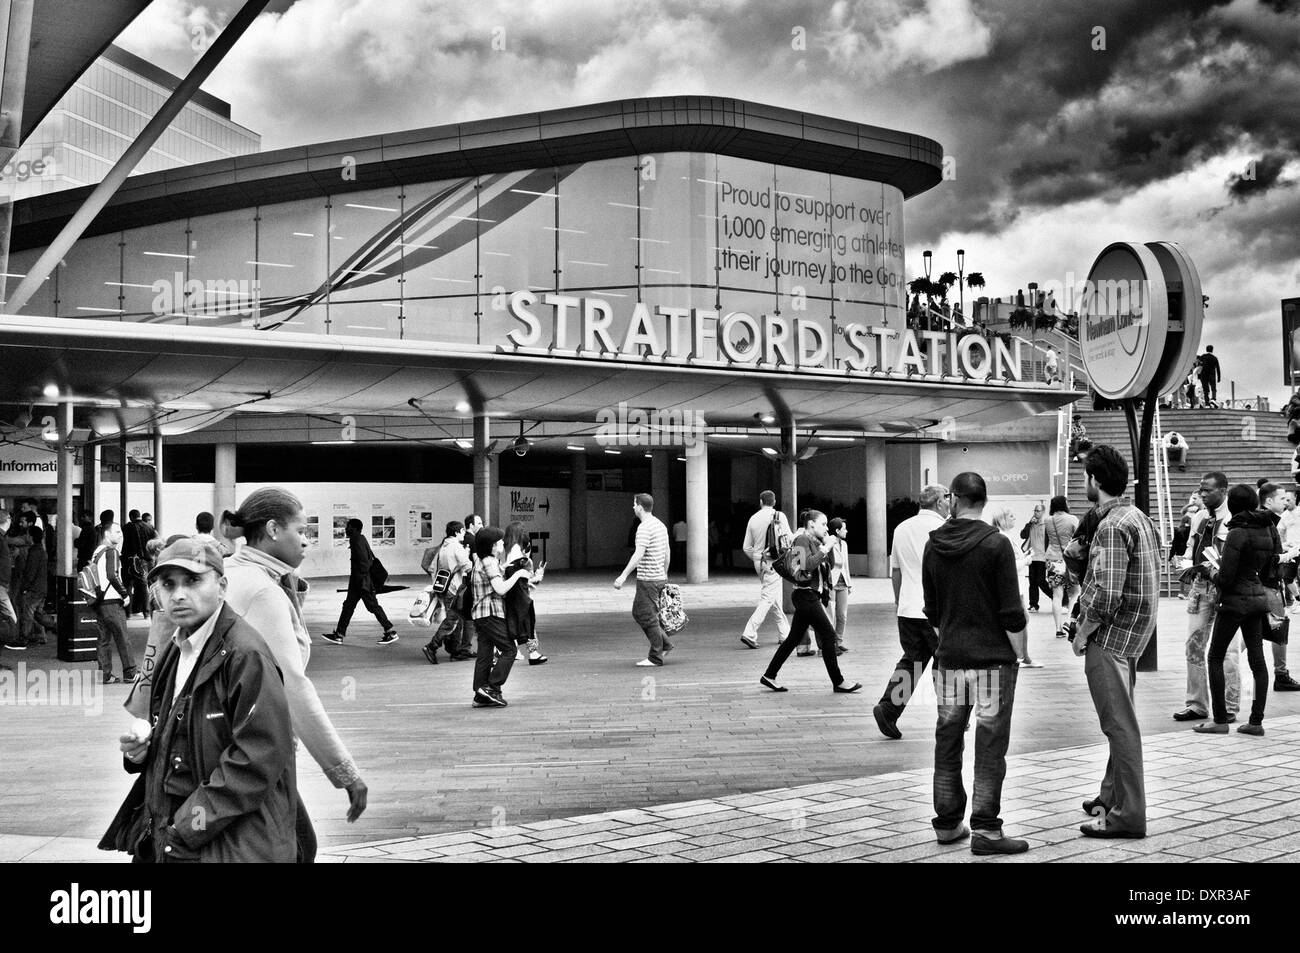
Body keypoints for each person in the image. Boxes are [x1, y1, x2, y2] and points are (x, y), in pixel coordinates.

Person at [107, 538, 298, 862]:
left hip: (227, 847)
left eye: (193, 580)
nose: (179, 594)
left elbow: (257, 760)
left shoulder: (244, 655)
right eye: (168, 584)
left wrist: (185, 829)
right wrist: (142, 751)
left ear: (222, 587)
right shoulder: (178, 648)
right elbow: (181, 733)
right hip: (174, 841)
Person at [922, 472, 1029, 855]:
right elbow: (1012, 613)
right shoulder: (997, 545)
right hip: (991, 662)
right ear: (983, 501)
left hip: (949, 659)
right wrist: (1018, 653)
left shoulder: (933, 546)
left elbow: (931, 612)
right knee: (989, 744)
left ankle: (948, 824)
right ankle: (985, 828)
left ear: (954, 499)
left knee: (948, 738)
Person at [1072, 446, 1161, 839]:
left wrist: (1082, 631)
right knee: (1121, 722)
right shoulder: (1137, 516)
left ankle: (1128, 815)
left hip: (1110, 637)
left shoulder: (1109, 527)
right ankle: (1110, 796)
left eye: (1085, 476)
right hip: (1135, 635)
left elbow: (1106, 595)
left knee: (1119, 727)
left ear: (1094, 480)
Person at [1194, 485, 1278, 738]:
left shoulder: (1237, 532)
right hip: (1257, 599)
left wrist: (1210, 571)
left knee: (1215, 656)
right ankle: (1256, 721)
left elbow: (1227, 578)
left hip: (1233, 602)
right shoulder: (1269, 528)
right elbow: (1270, 568)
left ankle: (1220, 719)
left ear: (1233, 505)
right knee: (1257, 660)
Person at [873, 484, 949, 740]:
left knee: (912, 662)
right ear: (939, 502)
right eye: (947, 498)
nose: (950, 503)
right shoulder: (943, 529)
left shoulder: (901, 528)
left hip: (908, 607)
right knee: (946, 663)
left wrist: (899, 601)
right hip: (936, 610)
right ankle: (951, 716)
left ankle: (888, 709)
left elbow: (895, 570)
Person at [758, 509, 861, 693]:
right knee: (828, 636)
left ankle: (769, 675)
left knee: (793, 639)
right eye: (823, 524)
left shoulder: (814, 541)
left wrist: (825, 544)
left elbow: (826, 565)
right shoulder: (800, 539)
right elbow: (806, 567)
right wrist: (825, 548)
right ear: (811, 524)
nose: (826, 528)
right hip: (805, 595)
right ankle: (838, 682)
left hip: (809, 595)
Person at [1173, 472, 1243, 722]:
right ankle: (1196, 703)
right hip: (1201, 586)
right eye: (1201, 489)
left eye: (1208, 490)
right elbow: (1192, 548)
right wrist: (1185, 564)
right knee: (1193, 646)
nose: (1202, 494)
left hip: (1226, 590)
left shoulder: (1234, 518)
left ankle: (1229, 705)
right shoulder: (1200, 517)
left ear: (1223, 490)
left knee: (1228, 651)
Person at [467, 526, 532, 706]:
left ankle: (480, 695)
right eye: (500, 541)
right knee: (510, 649)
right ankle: (492, 688)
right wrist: (519, 573)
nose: (503, 543)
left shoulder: (482, 560)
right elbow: (500, 588)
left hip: (480, 614)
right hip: (490, 613)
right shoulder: (489, 561)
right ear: (492, 545)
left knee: (485, 654)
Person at [614, 493, 673, 666]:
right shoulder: (660, 525)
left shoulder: (644, 528)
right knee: (641, 613)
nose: (633, 507)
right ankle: (666, 644)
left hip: (648, 579)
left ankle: (656, 655)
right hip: (658, 577)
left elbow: (638, 554)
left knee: (646, 616)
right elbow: (667, 552)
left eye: (634, 504)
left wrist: (623, 576)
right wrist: (664, 574)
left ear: (640, 506)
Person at [320, 518, 396, 646]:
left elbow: (364, 563)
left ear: (354, 528)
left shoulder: (356, 540)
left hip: (362, 582)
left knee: (372, 606)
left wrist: (361, 582)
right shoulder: (360, 538)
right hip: (357, 582)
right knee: (348, 607)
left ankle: (390, 632)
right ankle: (339, 635)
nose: (346, 529)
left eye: (348, 526)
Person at [1257, 484, 1300, 691]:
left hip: (1262, 584)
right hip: (1268, 585)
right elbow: (1267, 557)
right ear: (1269, 501)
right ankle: (1281, 674)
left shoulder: (1264, 520)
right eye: (1282, 498)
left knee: (1255, 629)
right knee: (1278, 627)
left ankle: (1230, 659)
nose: (1286, 502)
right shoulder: (1266, 521)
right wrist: (1287, 555)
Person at [739, 491, 792, 651]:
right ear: (774, 501)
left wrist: (757, 558)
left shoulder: (753, 519)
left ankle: (785, 634)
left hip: (759, 563)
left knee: (773, 597)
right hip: (775, 561)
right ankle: (750, 632)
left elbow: (746, 547)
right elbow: (788, 538)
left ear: (761, 501)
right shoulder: (779, 516)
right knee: (768, 598)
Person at [421, 522, 476, 664]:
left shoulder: (443, 547)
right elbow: (467, 565)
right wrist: (468, 556)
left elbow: (432, 567)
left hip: (443, 588)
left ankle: (455, 650)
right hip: (454, 588)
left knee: (456, 619)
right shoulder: (456, 546)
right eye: (463, 531)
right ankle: (432, 646)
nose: (464, 534)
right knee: (452, 619)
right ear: (458, 532)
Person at [91, 523, 138, 684]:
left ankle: (104, 675)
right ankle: (130, 672)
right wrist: (125, 594)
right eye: (116, 532)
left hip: (99, 601)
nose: (120, 535)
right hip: (112, 601)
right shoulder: (111, 552)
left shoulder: (96, 552)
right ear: (106, 533)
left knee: (103, 639)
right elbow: (112, 575)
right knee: (122, 637)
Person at [993, 508, 1040, 668]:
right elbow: (1009, 564)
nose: (1014, 518)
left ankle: (1022, 656)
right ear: (1003, 519)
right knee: (1021, 620)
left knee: (1023, 619)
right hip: (1013, 586)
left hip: (1015, 586)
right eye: (1011, 516)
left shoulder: (1004, 537)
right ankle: (1021, 656)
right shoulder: (1003, 538)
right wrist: (1026, 561)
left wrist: (1025, 556)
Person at [503, 521, 548, 665]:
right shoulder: (517, 550)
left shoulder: (508, 550)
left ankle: (518, 650)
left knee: (514, 621)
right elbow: (520, 572)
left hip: (512, 591)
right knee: (527, 621)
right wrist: (535, 577)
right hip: (520, 592)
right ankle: (532, 653)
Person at [1044, 496, 1079, 638]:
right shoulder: (1072, 519)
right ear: (1065, 504)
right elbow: (1078, 538)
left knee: (1057, 596)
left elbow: (1048, 540)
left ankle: (1058, 629)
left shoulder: (1048, 521)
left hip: (1053, 560)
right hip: (1069, 560)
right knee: (1075, 592)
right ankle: (1069, 622)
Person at [18, 525, 50, 646]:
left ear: (30, 537)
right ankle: (41, 636)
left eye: (27, 534)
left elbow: (30, 572)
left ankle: (24, 637)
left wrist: (24, 587)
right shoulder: (40, 550)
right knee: (37, 613)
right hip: (42, 587)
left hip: (34, 588)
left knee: (28, 612)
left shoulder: (34, 551)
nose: (25, 536)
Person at [1020, 502, 1051, 611]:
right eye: (1034, 511)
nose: (1035, 513)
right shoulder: (1031, 525)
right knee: (1032, 582)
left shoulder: (1047, 525)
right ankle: (1033, 604)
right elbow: (1022, 535)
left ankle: (1057, 598)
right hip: (1032, 557)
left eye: (1038, 511)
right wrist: (1029, 524)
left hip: (1042, 557)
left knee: (1041, 581)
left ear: (1043, 512)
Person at [828, 517, 851, 655]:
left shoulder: (845, 544)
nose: (846, 531)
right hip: (831, 582)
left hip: (843, 582)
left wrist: (849, 583)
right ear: (837, 530)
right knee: (830, 615)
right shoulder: (828, 542)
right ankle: (830, 644)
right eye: (844, 528)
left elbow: (846, 565)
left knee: (842, 615)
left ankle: (839, 641)